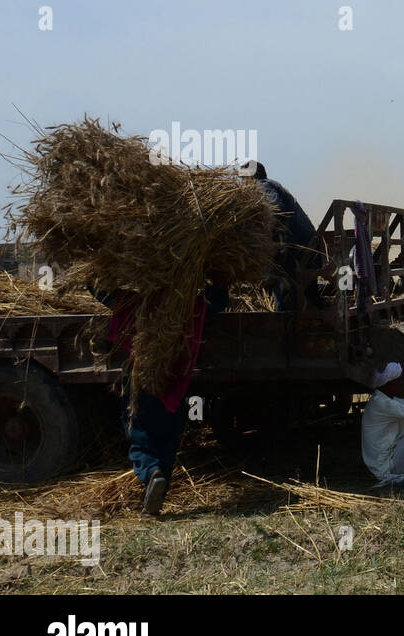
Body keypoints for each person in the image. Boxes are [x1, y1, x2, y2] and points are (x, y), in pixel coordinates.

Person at [93, 281, 230, 515]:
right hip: (174, 381)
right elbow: (218, 301)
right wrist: (215, 275)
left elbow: (100, 289)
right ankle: (155, 497)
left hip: (142, 378)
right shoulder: (190, 306)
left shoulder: (134, 304)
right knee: (169, 435)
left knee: (138, 432)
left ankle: (151, 474)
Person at [238, 160, 319, 311]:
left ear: (250, 177)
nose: (242, 184)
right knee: (308, 296)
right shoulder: (271, 184)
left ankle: (283, 330)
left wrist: (265, 242)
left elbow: (276, 210)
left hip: (294, 248)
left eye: (243, 179)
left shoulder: (262, 185)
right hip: (308, 245)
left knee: (285, 295)